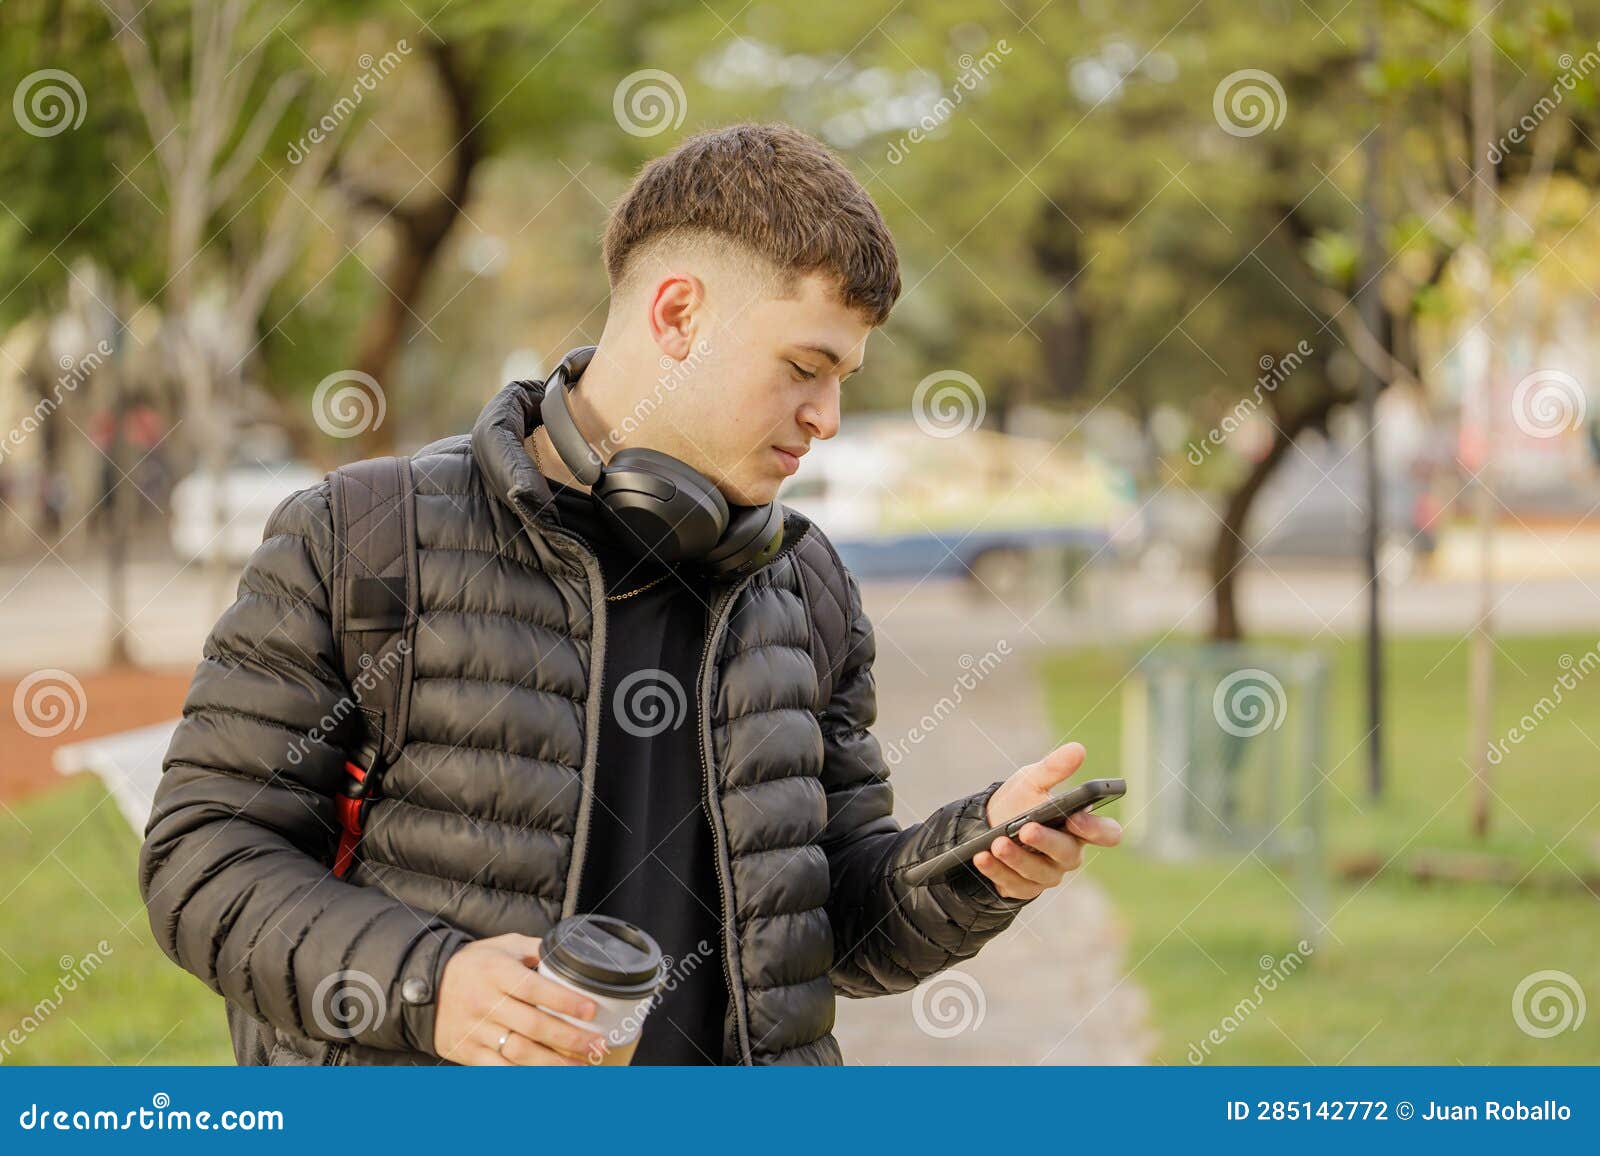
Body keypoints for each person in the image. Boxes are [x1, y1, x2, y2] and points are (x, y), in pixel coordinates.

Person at [138, 122, 1121, 1067]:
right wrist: (432, 985)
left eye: (843, 378)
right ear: (678, 314)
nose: (826, 416)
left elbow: (828, 930)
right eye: (804, 367)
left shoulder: (812, 587)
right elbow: (203, 858)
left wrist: (969, 864)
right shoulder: (359, 538)